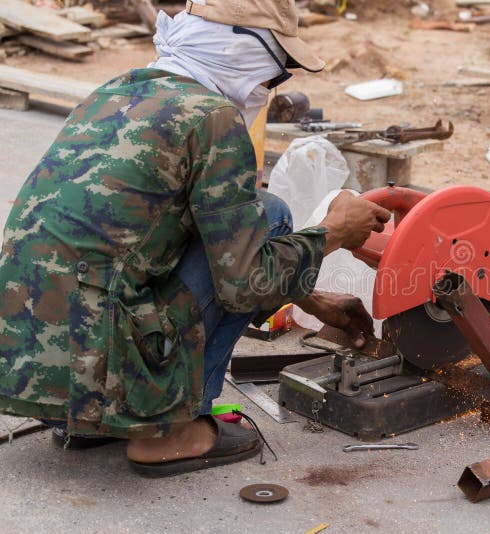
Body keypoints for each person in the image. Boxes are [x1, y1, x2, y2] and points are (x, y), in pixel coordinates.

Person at [0, 0, 390, 477]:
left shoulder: (117, 91)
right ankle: (169, 432)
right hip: (92, 357)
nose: (270, 89)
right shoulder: (211, 118)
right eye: (275, 75)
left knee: (240, 225)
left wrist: (308, 296)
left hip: (25, 368)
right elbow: (243, 279)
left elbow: (121, 240)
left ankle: (91, 422)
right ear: (244, 51)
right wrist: (332, 233)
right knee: (271, 215)